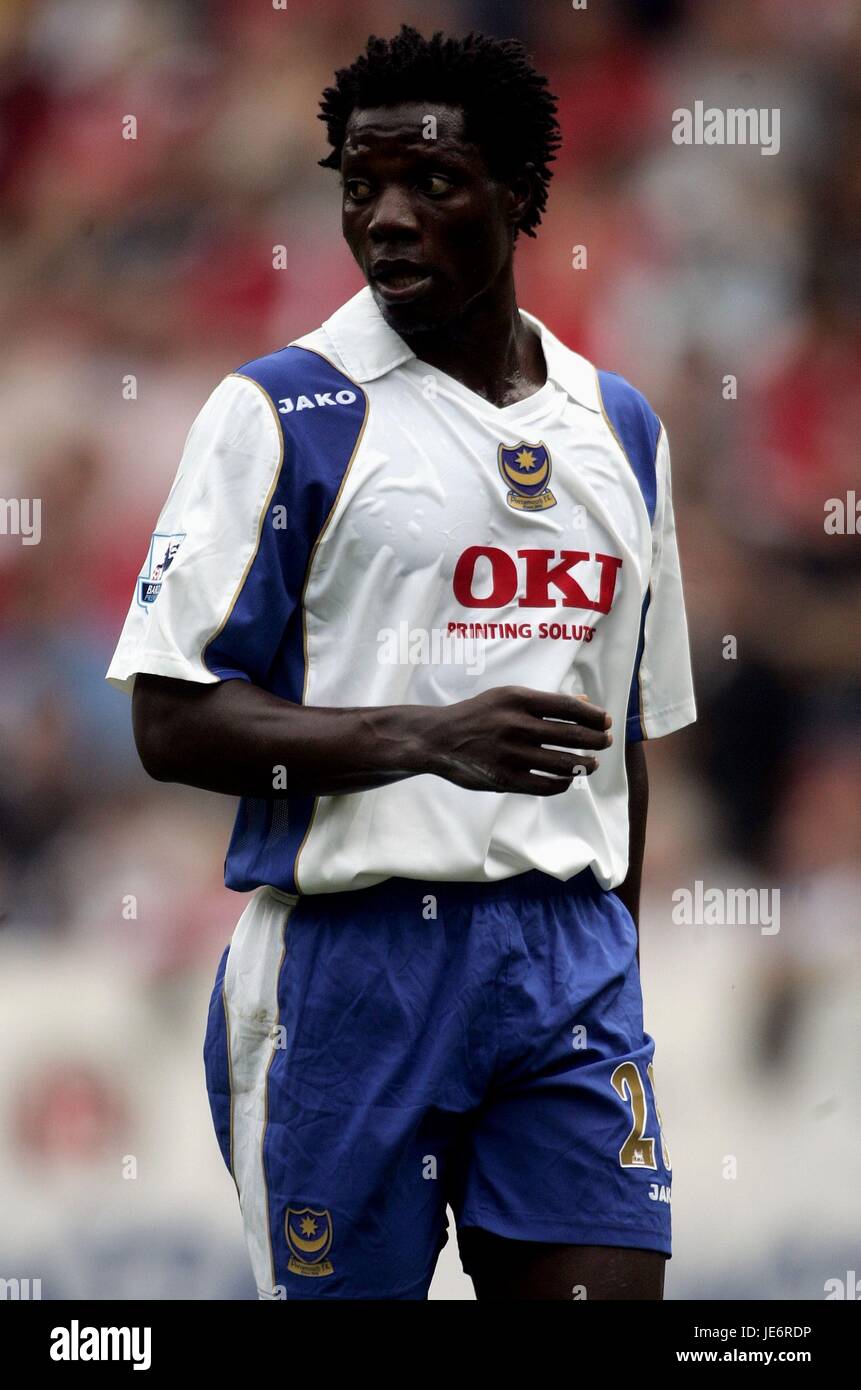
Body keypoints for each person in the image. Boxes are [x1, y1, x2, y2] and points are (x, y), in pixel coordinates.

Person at [107, 25, 696, 1301]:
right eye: (360, 185)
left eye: (432, 183)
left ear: (524, 196)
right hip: (349, 966)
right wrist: (423, 737)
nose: (386, 217)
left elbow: (625, 731)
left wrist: (616, 956)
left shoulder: (621, 427)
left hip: (570, 967)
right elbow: (169, 719)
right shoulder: (280, 410)